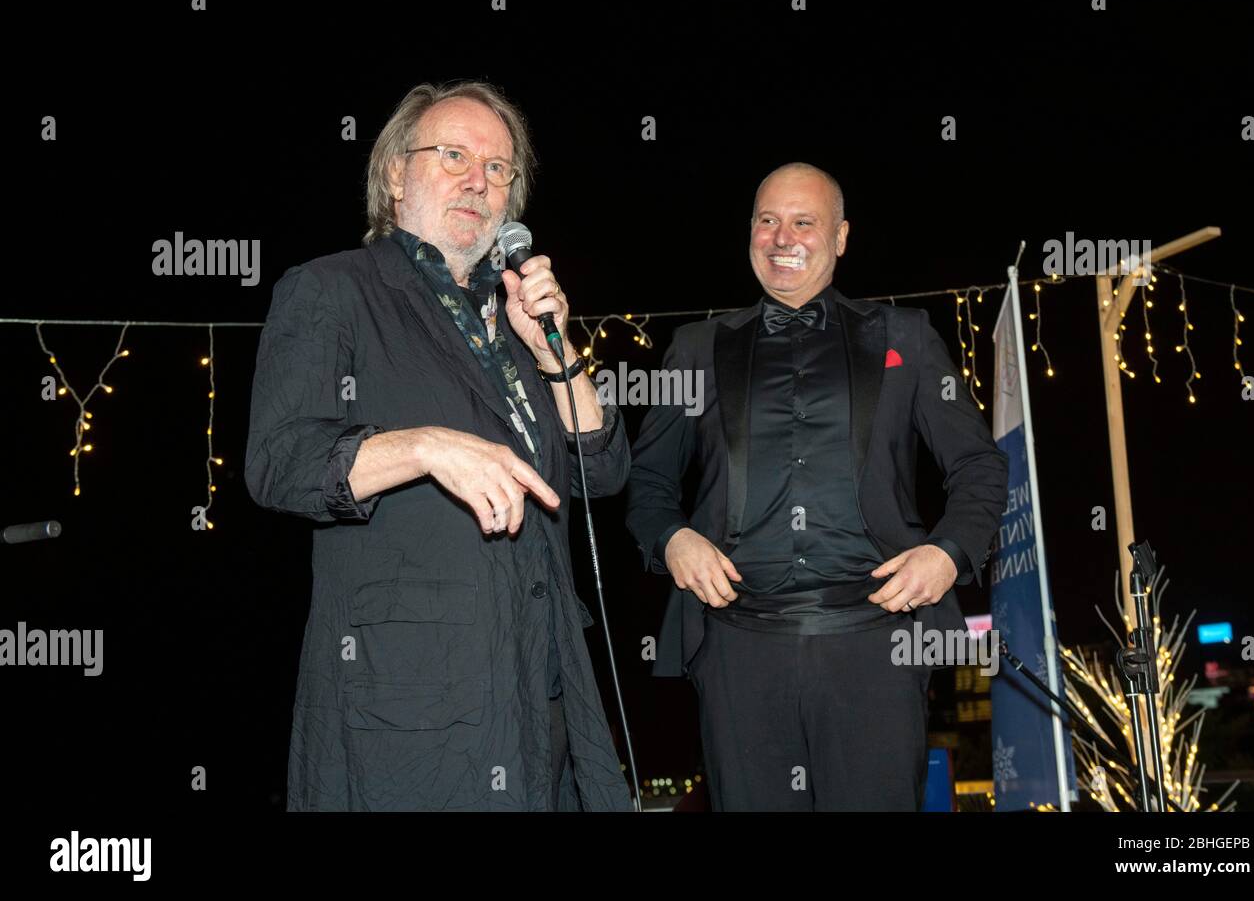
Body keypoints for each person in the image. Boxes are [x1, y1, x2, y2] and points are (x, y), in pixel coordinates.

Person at [245, 81, 632, 811]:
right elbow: (278, 462)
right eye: (453, 154)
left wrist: (554, 349)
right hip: (408, 711)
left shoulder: (516, 316)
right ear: (396, 173)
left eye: (497, 168)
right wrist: (423, 446)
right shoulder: (333, 290)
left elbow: (604, 470)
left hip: (541, 693)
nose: (476, 180)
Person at [626, 163, 1009, 810]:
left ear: (840, 237)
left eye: (804, 221)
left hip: (876, 644)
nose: (783, 237)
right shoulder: (693, 348)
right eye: (767, 221)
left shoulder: (904, 338)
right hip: (736, 650)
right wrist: (671, 538)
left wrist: (946, 553)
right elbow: (646, 480)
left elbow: (978, 466)